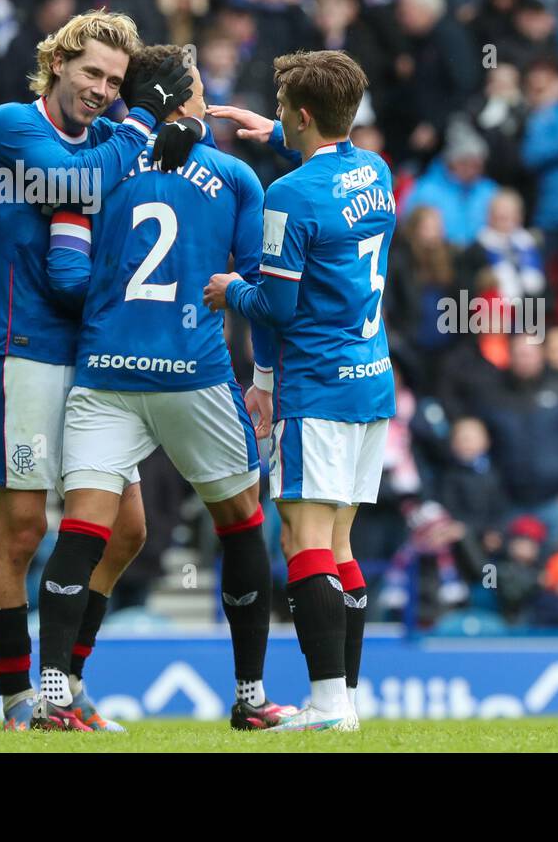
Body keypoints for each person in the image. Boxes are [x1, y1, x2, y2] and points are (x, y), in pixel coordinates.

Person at [35, 43, 292, 731]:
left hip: (106, 373)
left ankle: (52, 695)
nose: (208, 96)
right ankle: (250, 700)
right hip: (196, 376)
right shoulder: (237, 177)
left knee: (85, 529)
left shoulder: (91, 167)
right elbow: (259, 289)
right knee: (241, 524)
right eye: (200, 86)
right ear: (180, 95)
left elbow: (63, 277)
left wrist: (118, 308)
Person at [0, 10, 196, 731]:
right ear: (59, 61)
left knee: (127, 529)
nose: (101, 89)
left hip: (94, 359)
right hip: (22, 350)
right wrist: (139, 130)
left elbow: (167, 162)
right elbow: (66, 183)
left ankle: (62, 684)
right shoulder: (13, 125)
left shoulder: (108, 138)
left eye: (115, 82)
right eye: (92, 72)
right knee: (22, 530)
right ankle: (16, 701)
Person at [205, 50, 394, 733]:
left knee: (304, 540)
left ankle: (328, 701)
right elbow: (327, 189)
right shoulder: (375, 170)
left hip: (316, 388)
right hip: (371, 384)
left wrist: (233, 291)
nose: (277, 113)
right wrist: (282, 136)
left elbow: (278, 308)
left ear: (304, 114)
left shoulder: (288, 195)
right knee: (340, 544)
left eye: (284, 106)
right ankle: (344, 698)